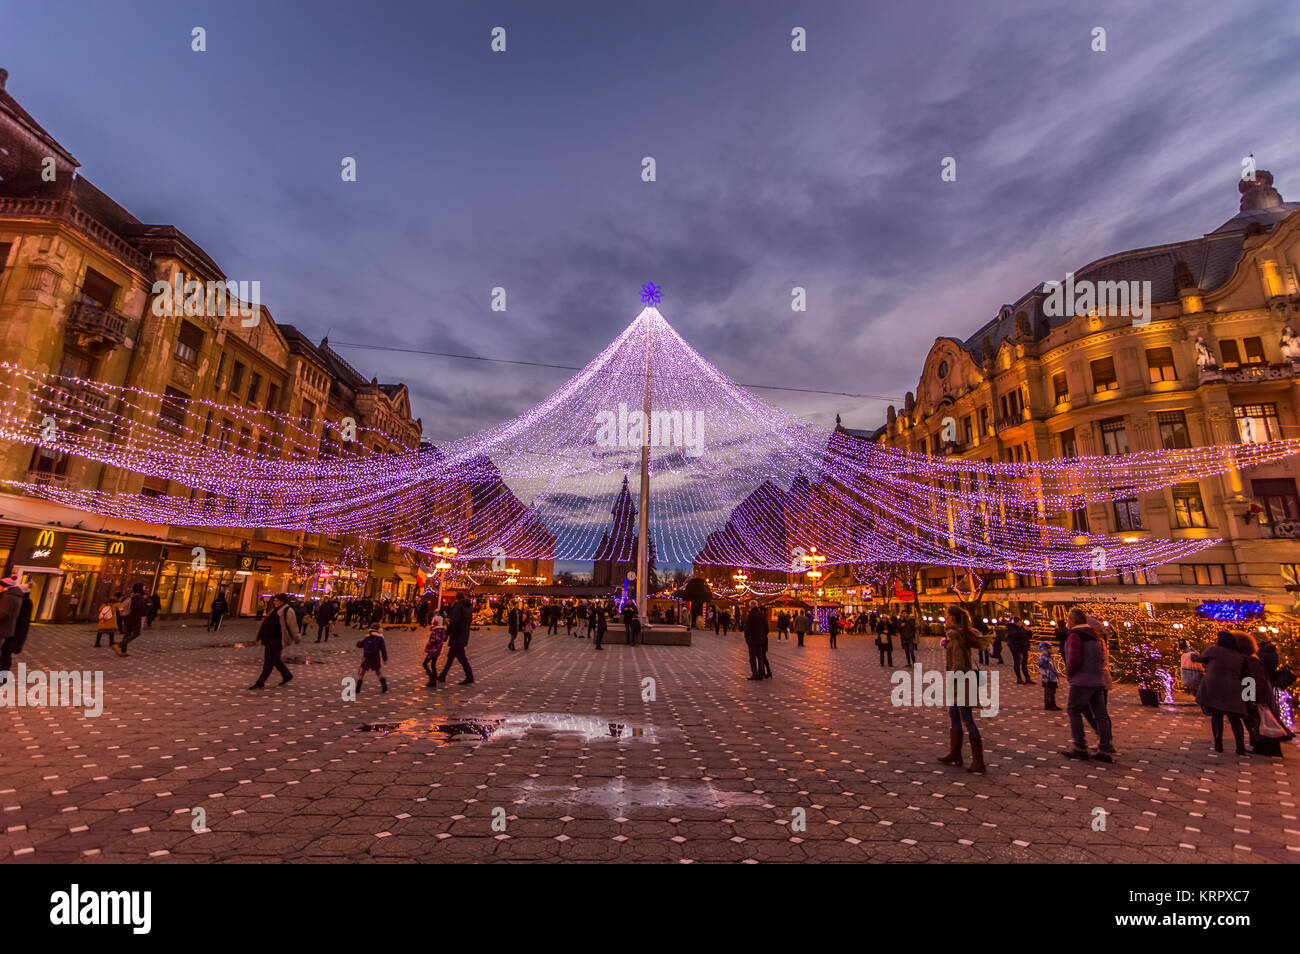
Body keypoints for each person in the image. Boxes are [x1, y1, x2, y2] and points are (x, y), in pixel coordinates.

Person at [937, 605, 992, 773]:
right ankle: (955, 753)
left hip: (962, 683)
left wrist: (952, 674)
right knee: (953, 714)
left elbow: (960, 664)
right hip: (959, 683)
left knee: (967, 719)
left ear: (952, 618)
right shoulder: (955, 636)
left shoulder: (957, 637)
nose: (945, 618)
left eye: (947, 615)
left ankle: (978, 761)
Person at [1061, 608, 1115, 761]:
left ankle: (1080, 746)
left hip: (1082, 680)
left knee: (1073, 710)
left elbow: (1074, 659)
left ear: (1072, 621)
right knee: (1101, 714)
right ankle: (1105, 748)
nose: (1067, 622)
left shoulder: (1075, 636)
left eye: (1068, 619)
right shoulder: (1096, 635)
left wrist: (1070, 674)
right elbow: (1102, 657)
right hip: (1098, 678)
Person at [1191, 631, 1248, 755]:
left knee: (1217, 716)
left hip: (1214, 686)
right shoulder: (1238, 655)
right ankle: (1240, 746)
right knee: (1235, 718)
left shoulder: (1214, 650)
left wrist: (1192, 655)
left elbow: (1199, 658)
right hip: (1233, 688)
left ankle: (1218, 744)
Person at [249, 593, 299, 689]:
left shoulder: (288, 611)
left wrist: (296, 638)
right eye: (274, 600)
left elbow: (293, 626)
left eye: (277, 601)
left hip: (277, 639)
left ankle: (260, 682)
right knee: (275, 660)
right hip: (269, 639)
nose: (275, 602)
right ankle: (287, 675)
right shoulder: (275, 609)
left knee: (269, 661)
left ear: (282, 601)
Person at [438, 592, 475, 684]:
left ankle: (469, 676)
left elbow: (455, 621)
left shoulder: (459, 606)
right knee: (451, 656)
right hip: (464, 633)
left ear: (457, 598)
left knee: (461, 657)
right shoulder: (468, 607)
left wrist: (447, 632)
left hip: (457, 634)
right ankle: (443, 675)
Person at [114, 583, 149, 657]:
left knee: (127, 634)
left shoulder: (131, 595)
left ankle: (123, 652)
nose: (144, 589)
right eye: (143, 588)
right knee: (136, 633)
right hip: (135, 618)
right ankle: (118, 646)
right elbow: (137, 606)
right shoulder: (138, 597)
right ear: (139, 588)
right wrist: (145, 603)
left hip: (127, 617)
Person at [355, 627, 389, 694]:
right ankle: (384, 688)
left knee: (362, 673)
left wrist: (358, 642)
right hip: (375, 658)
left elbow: (359, 645)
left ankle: (357, 689)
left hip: (366, 657)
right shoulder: (380, 638)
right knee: (378, 672)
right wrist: (385, 659)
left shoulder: (367, 637)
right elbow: (383, 650)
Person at [743, 600, 770, 680]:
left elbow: (747, 628)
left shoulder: (751, 615)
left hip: (752, 640)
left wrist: (746, 637)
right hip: (761, 640)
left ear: (751, 606)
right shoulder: (762, 615)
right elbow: (767, 629)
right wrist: (763, 636)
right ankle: (761, 673)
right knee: (760, 657)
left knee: (752, 658)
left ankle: (755, 674)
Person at [423, 617, 447, 688]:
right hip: (437, 651)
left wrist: (429, 643)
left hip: (432, 651)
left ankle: (432, 677)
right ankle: (434, 678)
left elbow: (434, 640)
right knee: (433, 664)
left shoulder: (436, 631)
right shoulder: (442, 630)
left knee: (425, 664)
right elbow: (444, 639)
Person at [1007, 619, 1033, 684]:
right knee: (1017, 663)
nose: (1020, 624)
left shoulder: (1022, 628)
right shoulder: (1011, 628)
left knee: (1024, 664)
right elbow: (1015, 635)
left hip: (1024, 648)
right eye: (1019, 623)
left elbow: (1030, 635)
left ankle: (1027, 678)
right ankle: (1019, 678)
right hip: (1016, 648)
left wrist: (1028, 630)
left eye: (1021, 623)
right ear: (1016, 622)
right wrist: (1024, 631)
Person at [1039, 641, 1061, 710]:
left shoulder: (1049, 657)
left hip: (1052, 677)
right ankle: (1048, 705)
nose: (1050, 649)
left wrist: (1056, 674)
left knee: (1053, 691)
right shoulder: (1043, 658)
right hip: (1048, 678)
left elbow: (1052, 667)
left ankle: (1053, 704)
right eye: (1049, 648)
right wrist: (1044, 677)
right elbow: (1042, 668)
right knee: (1048, 692)